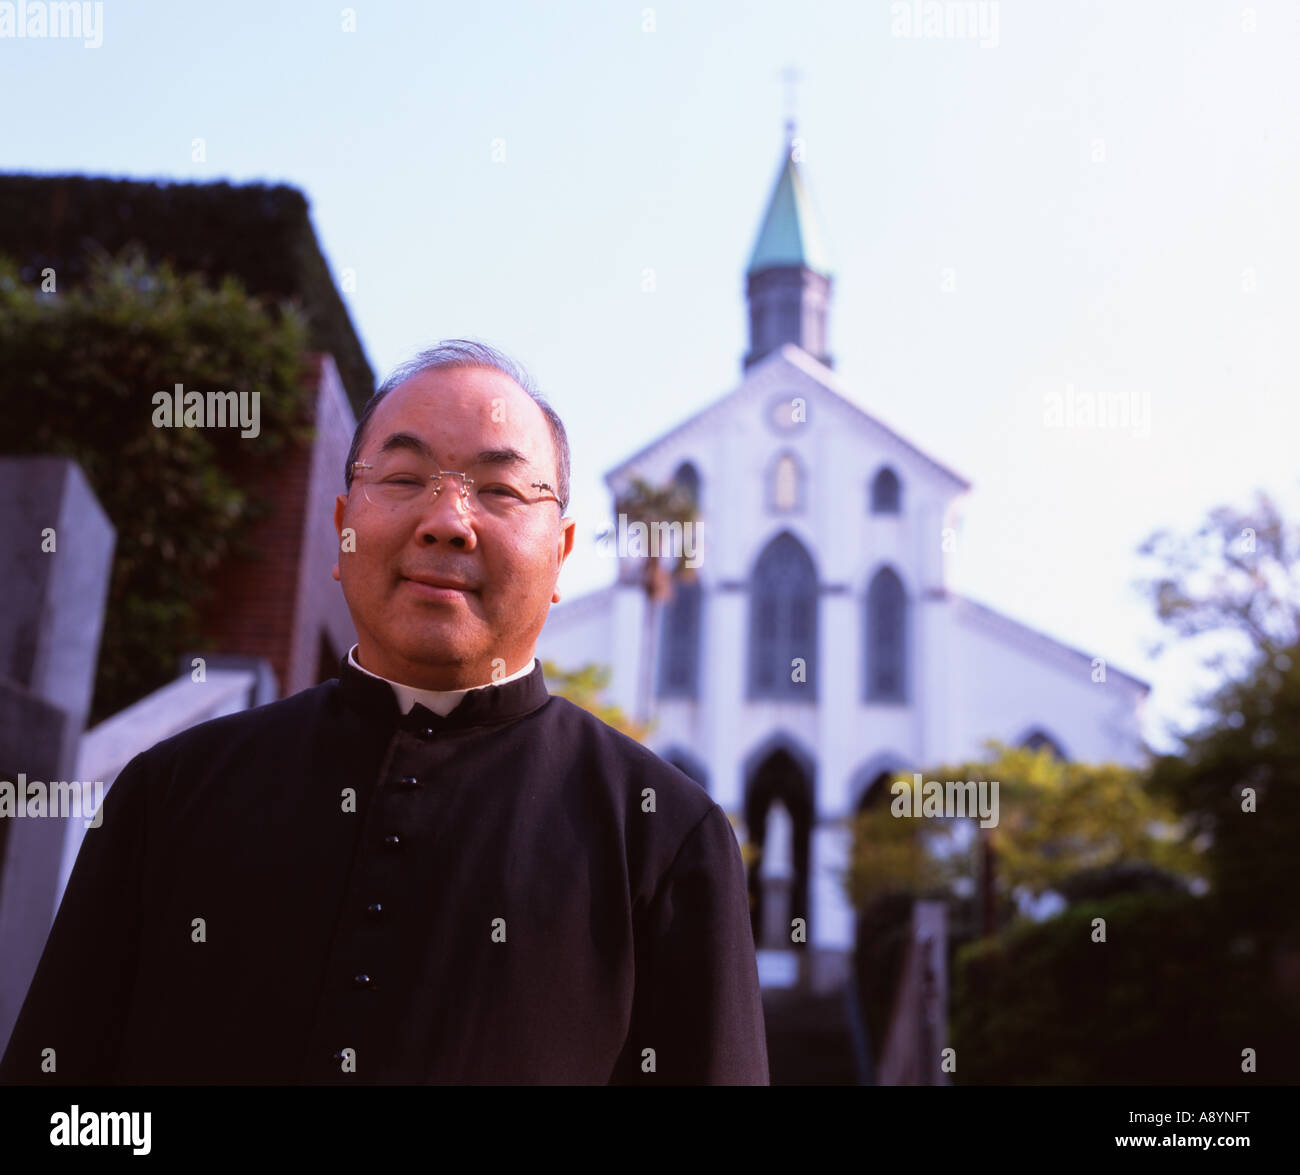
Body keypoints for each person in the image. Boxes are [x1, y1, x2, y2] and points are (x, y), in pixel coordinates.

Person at [0, 340, 769, 1085]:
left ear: (562, 552)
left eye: (500, 490)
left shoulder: (665, 840)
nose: (447, 520)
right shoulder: (167, 795)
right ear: (341, 526)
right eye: (403, 477)